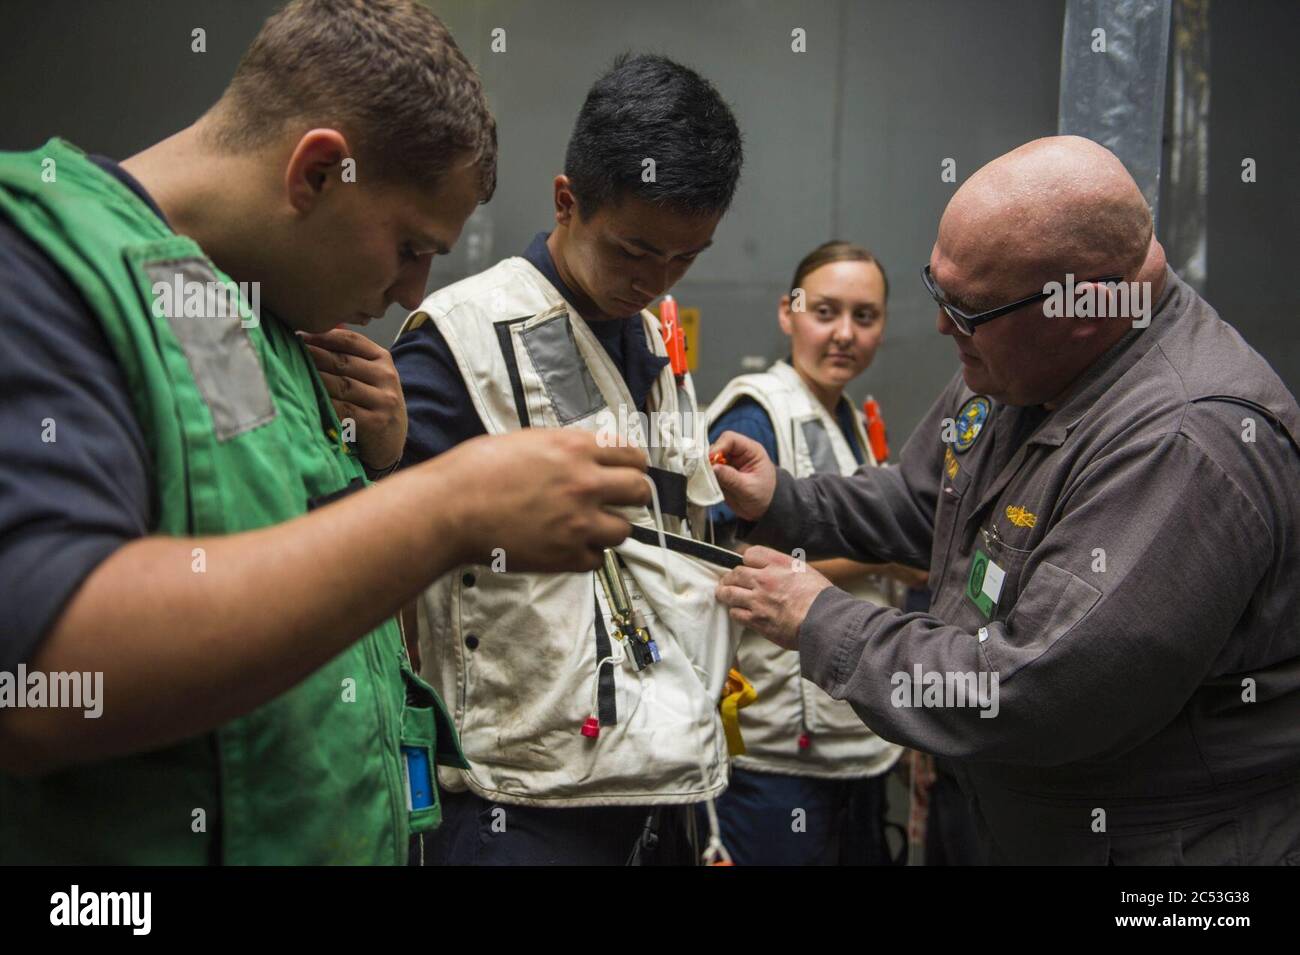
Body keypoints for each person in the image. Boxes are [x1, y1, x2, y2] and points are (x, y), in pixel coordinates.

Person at [0, 0, 649, 865]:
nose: (415, 290)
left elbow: (263, 558)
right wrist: (445, 507)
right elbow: (44, 680)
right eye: (410, 245)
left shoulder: (262, 311)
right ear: (317, 173)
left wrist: (378, 464)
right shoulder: (36, 262)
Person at [712, 135, 1300, 865]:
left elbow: (1028, 693)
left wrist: (823, 620)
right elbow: (927, 499)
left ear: (1081, 307)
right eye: (937, 290)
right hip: (997, 816)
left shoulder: (1184, 441)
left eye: (967, 308)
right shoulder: (1019, 355)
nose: (940, 325)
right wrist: (786, 500)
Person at [390, 53, 745, 865]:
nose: (655, 282)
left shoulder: (656, 334)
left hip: (663, 781)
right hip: (520, 804)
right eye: (635, 250)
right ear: (566, 200)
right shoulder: (458, 341)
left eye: (685, 259)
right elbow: (387, 564)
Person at [705, 241, 920, 865]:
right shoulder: (756, 412)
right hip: (776, 750)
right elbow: (731, 563)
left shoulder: (850, 418)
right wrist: (883, 553)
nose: (845, 334)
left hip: (853, 736)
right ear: (787, 313)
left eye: (865, 316)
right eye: (825, 311)